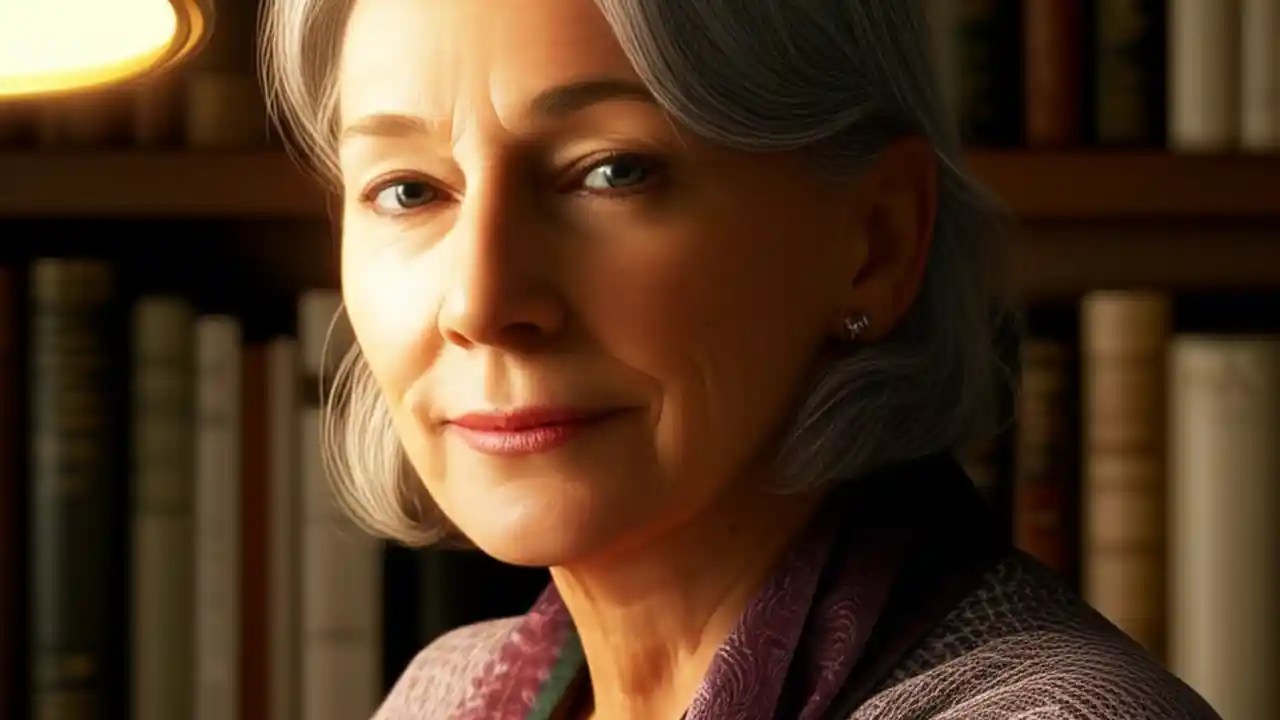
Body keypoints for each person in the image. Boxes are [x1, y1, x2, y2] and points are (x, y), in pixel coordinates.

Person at [260, 0, 1222, 717]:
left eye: (612, 171)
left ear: (875, 241)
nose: (480, 303)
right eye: (406, 190)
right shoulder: (444, 696)